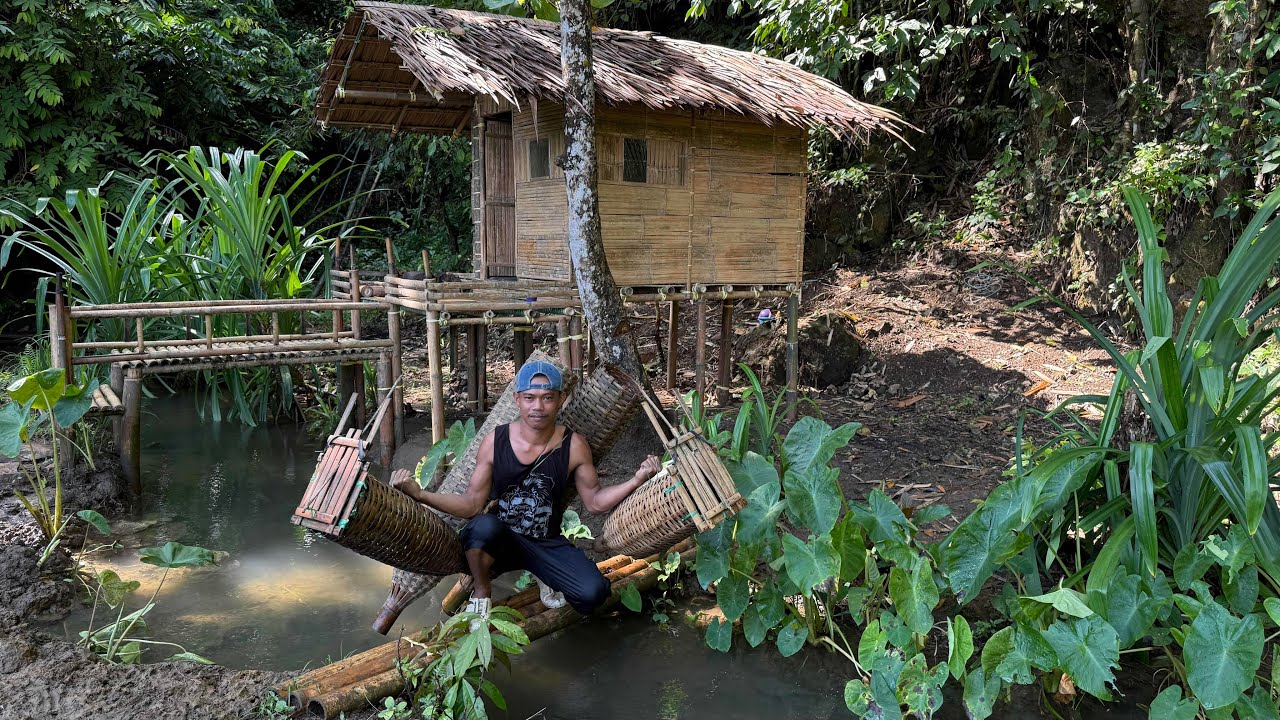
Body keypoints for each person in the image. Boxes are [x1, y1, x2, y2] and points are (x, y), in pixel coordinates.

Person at [390, 359, 660, 620]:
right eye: (530, 398)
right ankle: (481, 592)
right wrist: (420, 494)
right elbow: (472, 504)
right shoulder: (495, 441)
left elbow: (595, 502)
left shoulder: (574, 445)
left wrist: (636, 480)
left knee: (593, 594)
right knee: (482, 526)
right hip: (499, 539)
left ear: (561, 398)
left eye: (547, 398)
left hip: (544, 541)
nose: (538, 406)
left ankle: (545, 575)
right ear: (517, 399)